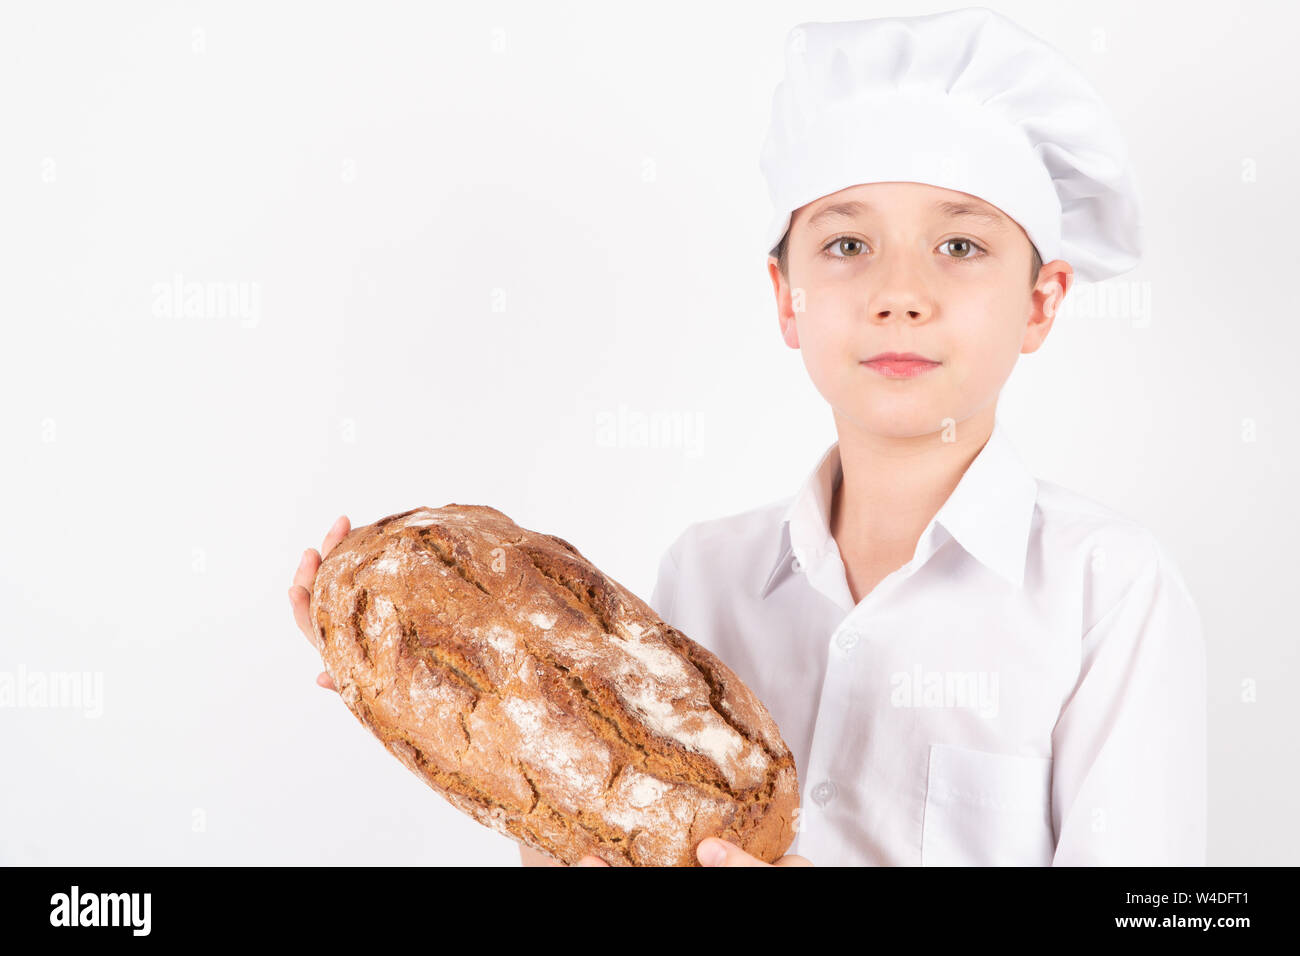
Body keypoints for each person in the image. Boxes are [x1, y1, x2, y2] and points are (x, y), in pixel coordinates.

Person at [289, 7, 1207, 867]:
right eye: (848, 246)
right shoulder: (706, 576)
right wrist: (442, 715)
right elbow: (615, 837)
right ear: (785, 299)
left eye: (960, 246)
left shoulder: (1107, 592)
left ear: (1042, 303)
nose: (900, 292)